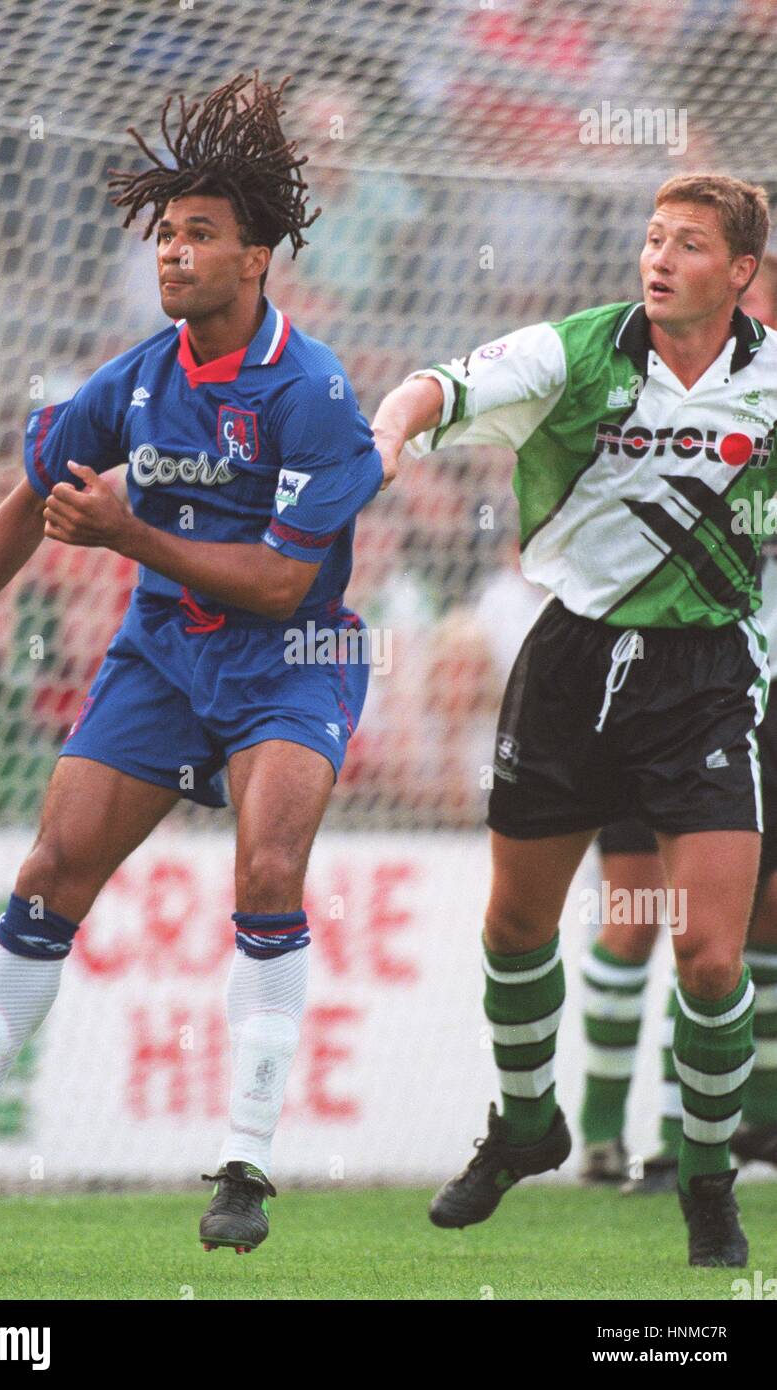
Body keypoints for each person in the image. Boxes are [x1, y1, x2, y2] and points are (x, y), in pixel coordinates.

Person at [0, 73, 383, 1256]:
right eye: (165, 234)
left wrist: (128, 534)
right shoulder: (137, 377)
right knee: (51, 867)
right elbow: (37, 492)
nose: (172, 254)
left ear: (255, 256)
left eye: (198, 235)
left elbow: (281, 584)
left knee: (267, 867)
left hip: (291, 659)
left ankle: (245, 1165)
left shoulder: (313, 394)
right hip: (163, 658)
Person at [372, 173, 777, 1267]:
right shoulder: (576, 351)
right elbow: (437, 386)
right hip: (569, 663)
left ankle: (705, 1174)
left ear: (739, 274)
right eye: (651, 239)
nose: (657, 259)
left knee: (705, 952)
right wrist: (389, 433)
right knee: (512, 925)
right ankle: (528, 1121)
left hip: (703, 676)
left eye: (686, 245)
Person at [580, 252, 777, 1192]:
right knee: (633, 912)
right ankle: (600, 1131)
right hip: (633, 670)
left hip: (739, 687)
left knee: (730, 923)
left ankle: (693, 1136)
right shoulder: (633, 376)